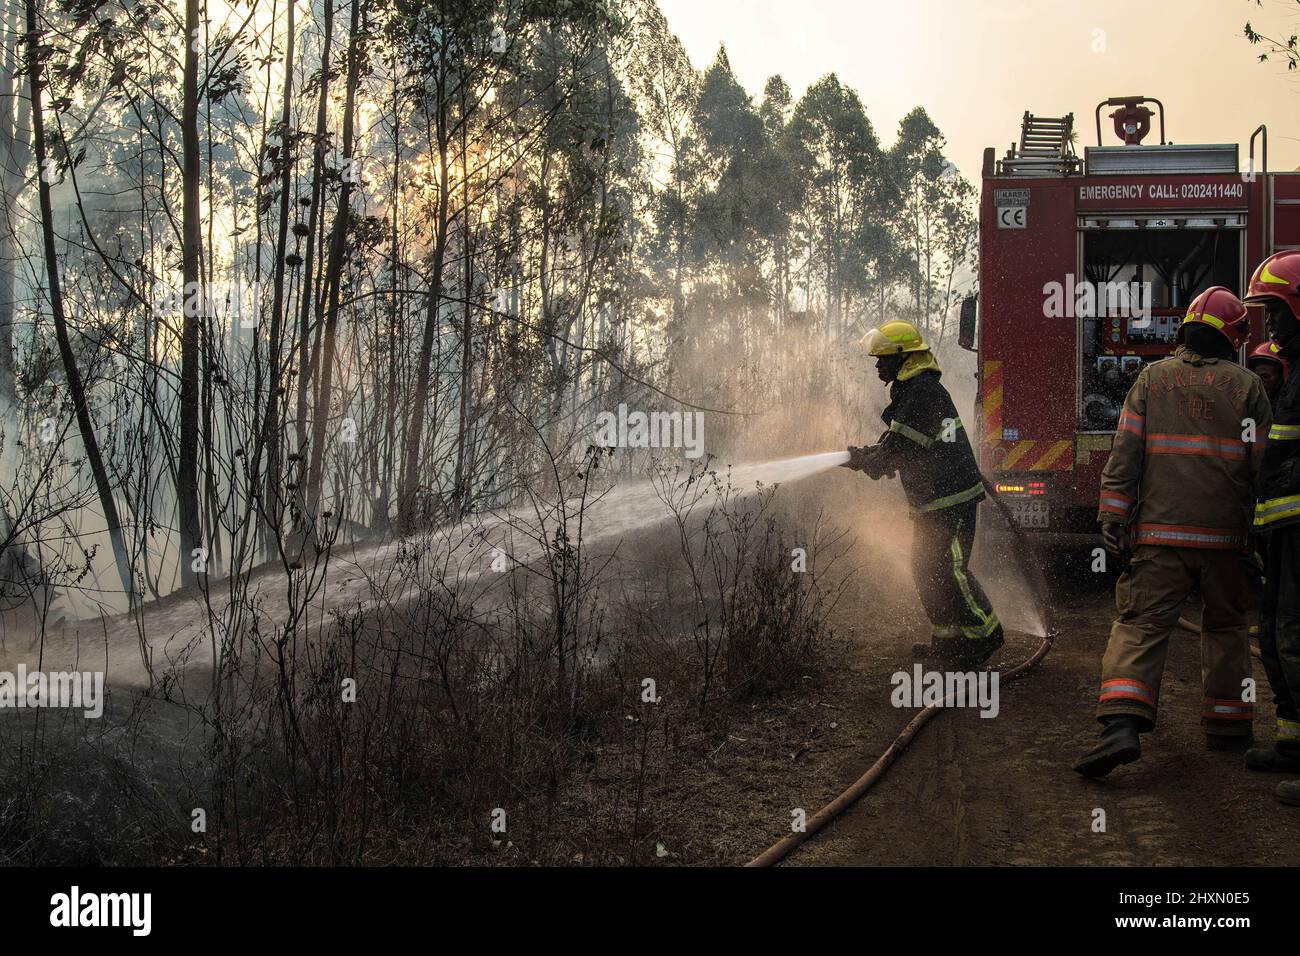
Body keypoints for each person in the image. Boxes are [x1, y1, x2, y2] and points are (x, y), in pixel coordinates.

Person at [1074, 286, 1272, 778]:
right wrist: (1263, 536)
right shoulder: (1249, 388)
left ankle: (1121, 724)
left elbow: (1126, 457)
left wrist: (1112, 518)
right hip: (1227, 541)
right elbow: (1264, 468)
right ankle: (1228, 726)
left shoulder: (1150, 381)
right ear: (1235, 337)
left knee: (1140, 625)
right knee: (1226, 628)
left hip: (1160, 539)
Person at [841, 319, 1003, 668]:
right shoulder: (911, 391)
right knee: (926, 568)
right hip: (932, 502)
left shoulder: (924, 392)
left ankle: (984, 636)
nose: (877, 365)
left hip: (952, 501)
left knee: (949, 568)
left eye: (883, 358)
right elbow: (897, 444)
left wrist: (864, 461)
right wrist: (863, 456)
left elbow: (896, 452)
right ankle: (949, 640)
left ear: (904, 358)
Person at [1240, 252, 1300, 802]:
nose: (1270, 323)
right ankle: (1292, 743)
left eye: (1278, 310)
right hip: (1283, 529)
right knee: (1275, 636)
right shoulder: (1293, 374)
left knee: (1295, 636)